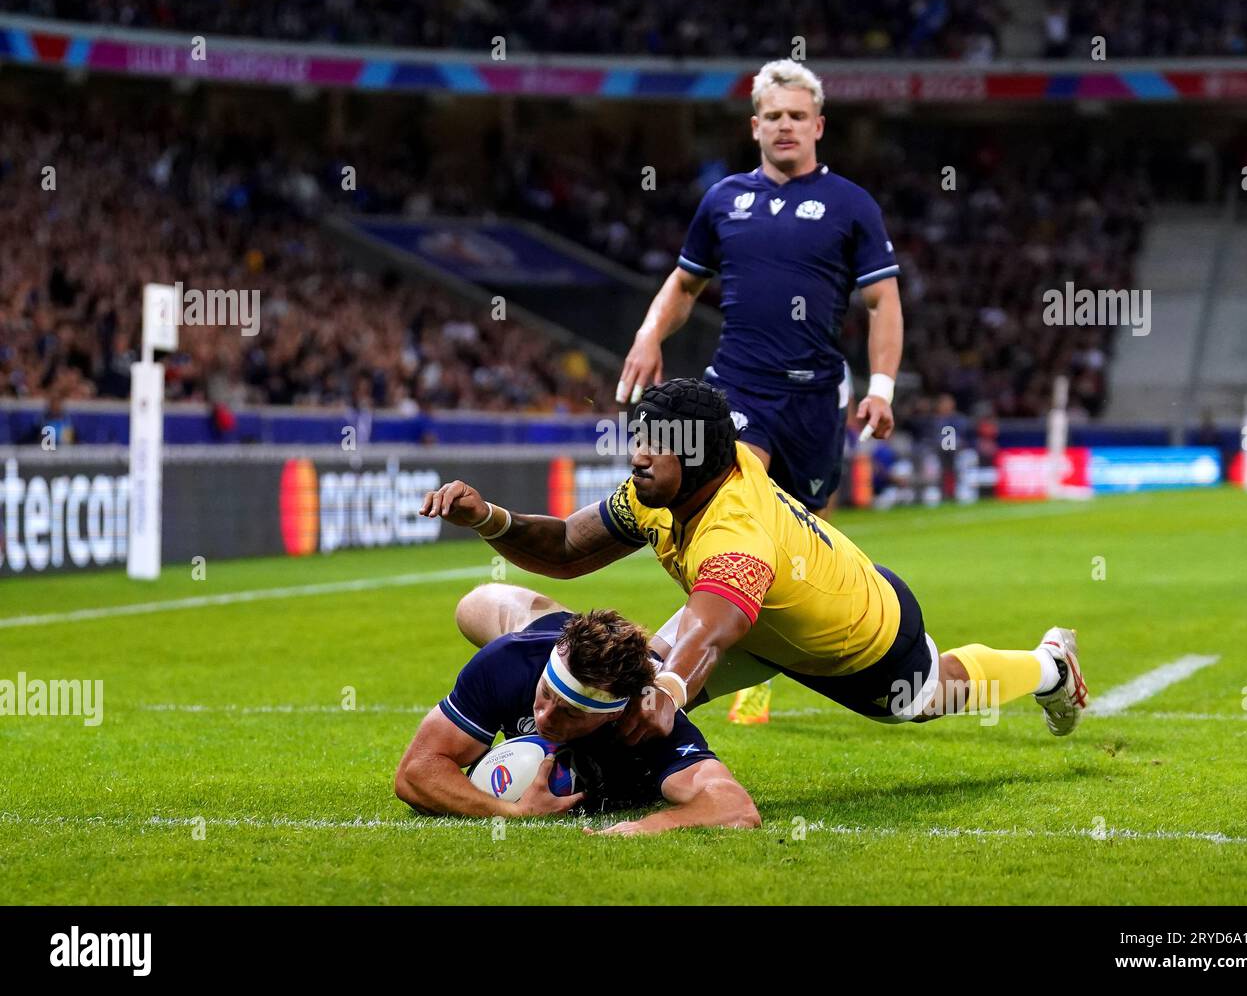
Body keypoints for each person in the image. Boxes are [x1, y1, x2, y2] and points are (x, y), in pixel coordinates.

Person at [418, 378, 1088, 750]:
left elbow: (712, 632)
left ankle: (1049, 664)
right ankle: (553, 753)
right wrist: (490, 518)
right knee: (626, 693)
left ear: (701, 460)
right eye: (639, 442)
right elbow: (565, 549)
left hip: (859, 633)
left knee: (923, 700)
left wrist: (670, 694)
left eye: (655, 447)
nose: (637, 458)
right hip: (759, 616)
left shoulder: (732, 528)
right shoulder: (663, 491)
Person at [615, 59, 906, 724]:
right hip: (738, 387)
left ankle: (767, 651)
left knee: (806, 533)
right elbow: (685, 285)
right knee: (735, 493)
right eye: (773, 115)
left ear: (819, 126)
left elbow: (883, 302)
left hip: (817, 396)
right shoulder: (724, 202)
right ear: (754, 127)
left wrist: (882, 386)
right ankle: (677, 661)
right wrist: (647, 335)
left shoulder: (850, 205)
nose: (785, 126)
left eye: (797, 116)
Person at [394, 582, 760, 836]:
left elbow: (735, 807)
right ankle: (589, 636)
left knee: (765, 636)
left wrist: (650, 825)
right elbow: (414, 774)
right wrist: (512, 812)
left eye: (570, 712)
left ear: (611, 715)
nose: (545, 717)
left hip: (641, 681)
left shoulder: (644, 723)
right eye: (545, 694)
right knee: (474, 603)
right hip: (542, 635)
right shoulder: (510, 662)